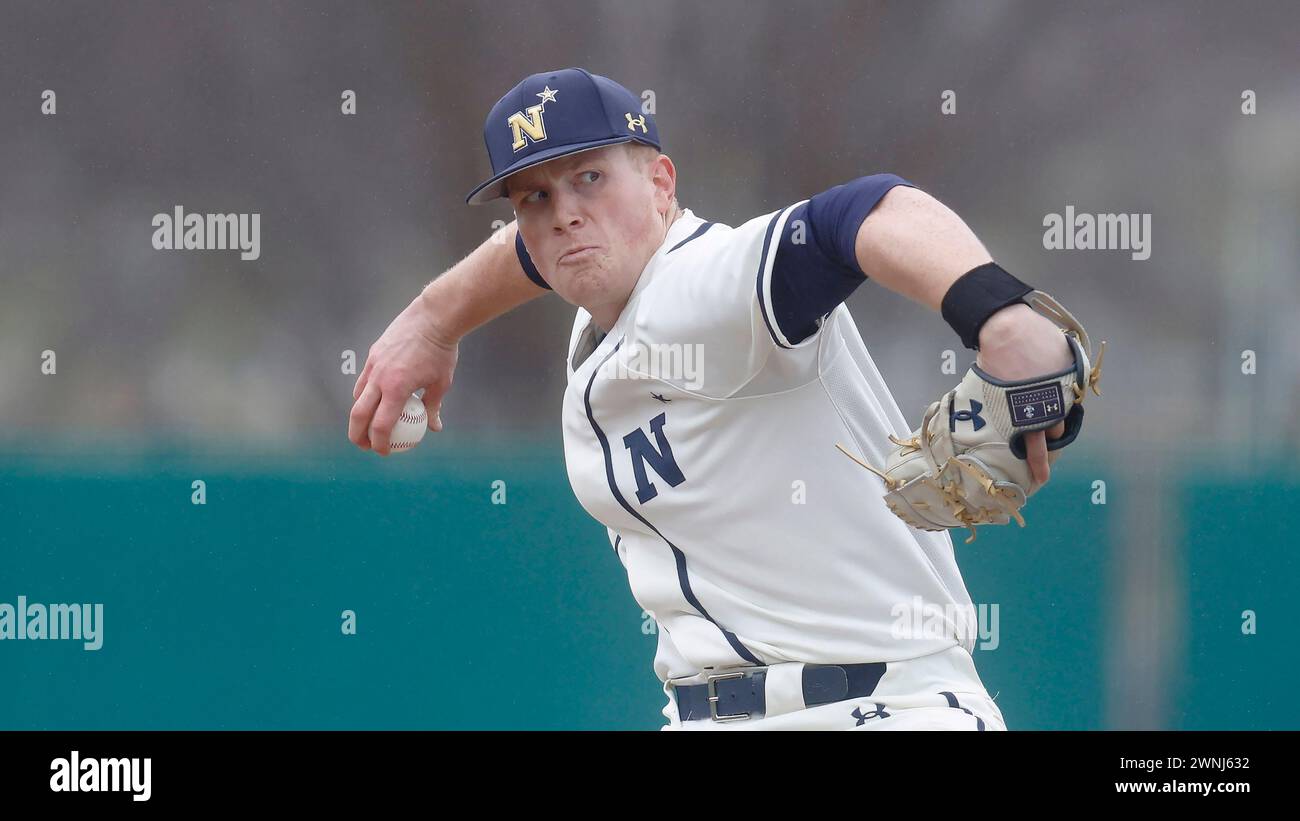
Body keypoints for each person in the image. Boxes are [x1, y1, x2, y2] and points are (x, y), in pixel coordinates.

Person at [349, 68, 1073, 730]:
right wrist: (433, 318)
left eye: (590, 178)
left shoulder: (708, 284)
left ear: (662, 183)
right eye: (535, 195)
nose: (565, 213)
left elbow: (861, 211)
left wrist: (998, 314)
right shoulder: (598, 290)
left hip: (879, 707)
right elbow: (533, 251)